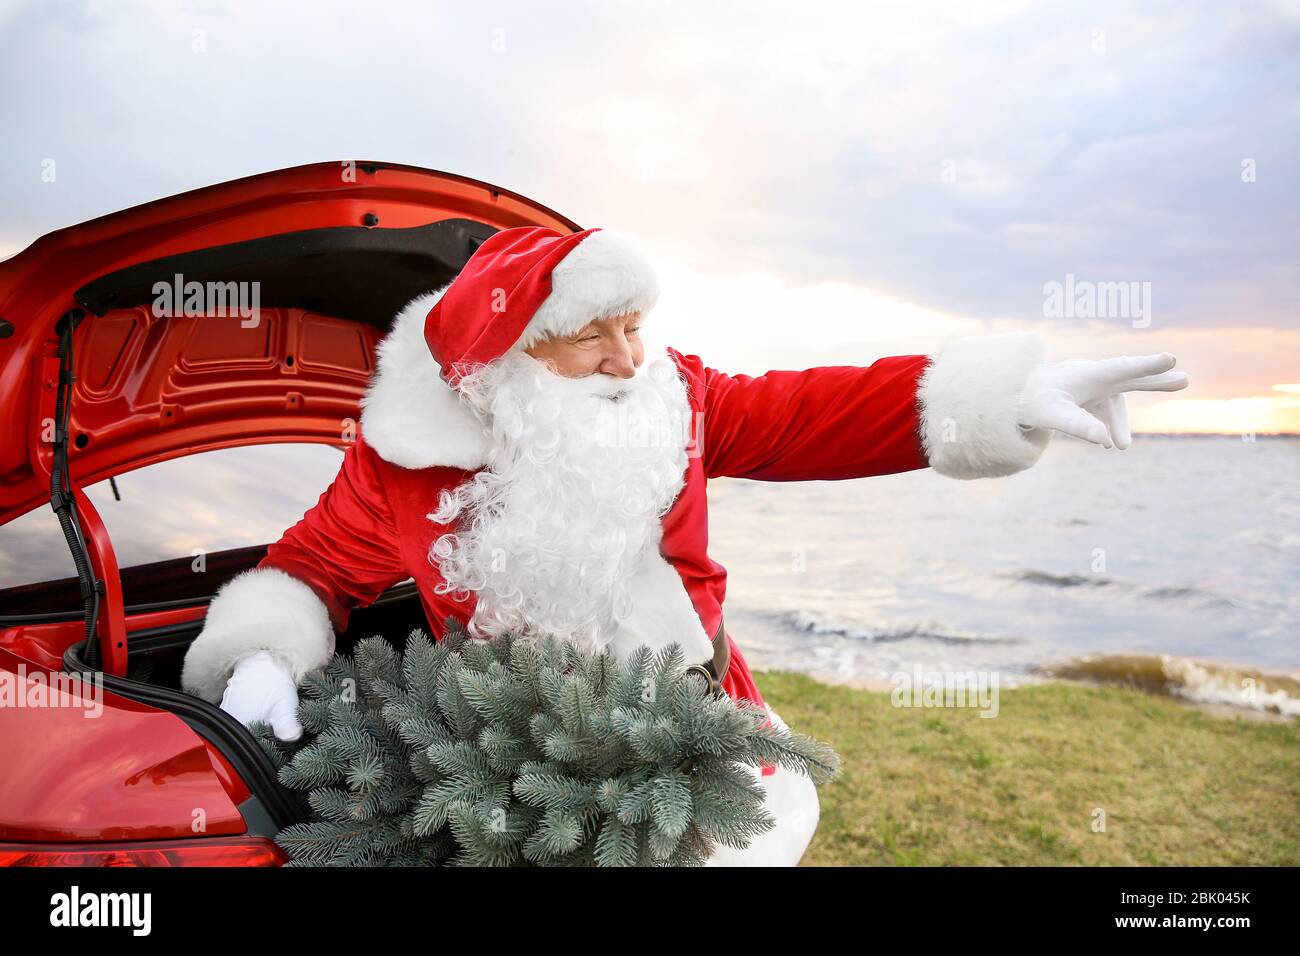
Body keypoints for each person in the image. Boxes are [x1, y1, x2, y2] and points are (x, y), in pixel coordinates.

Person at [180, 225, 1189, 865]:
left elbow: (807, 412)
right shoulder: (404, 462)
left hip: (697, 719)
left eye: (635, 325)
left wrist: (1005, 395)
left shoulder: (673, 399)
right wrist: (265, 648)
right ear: (509, 358)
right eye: (594, 337)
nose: (629, 356)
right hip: (521, 756)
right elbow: (313, 562)